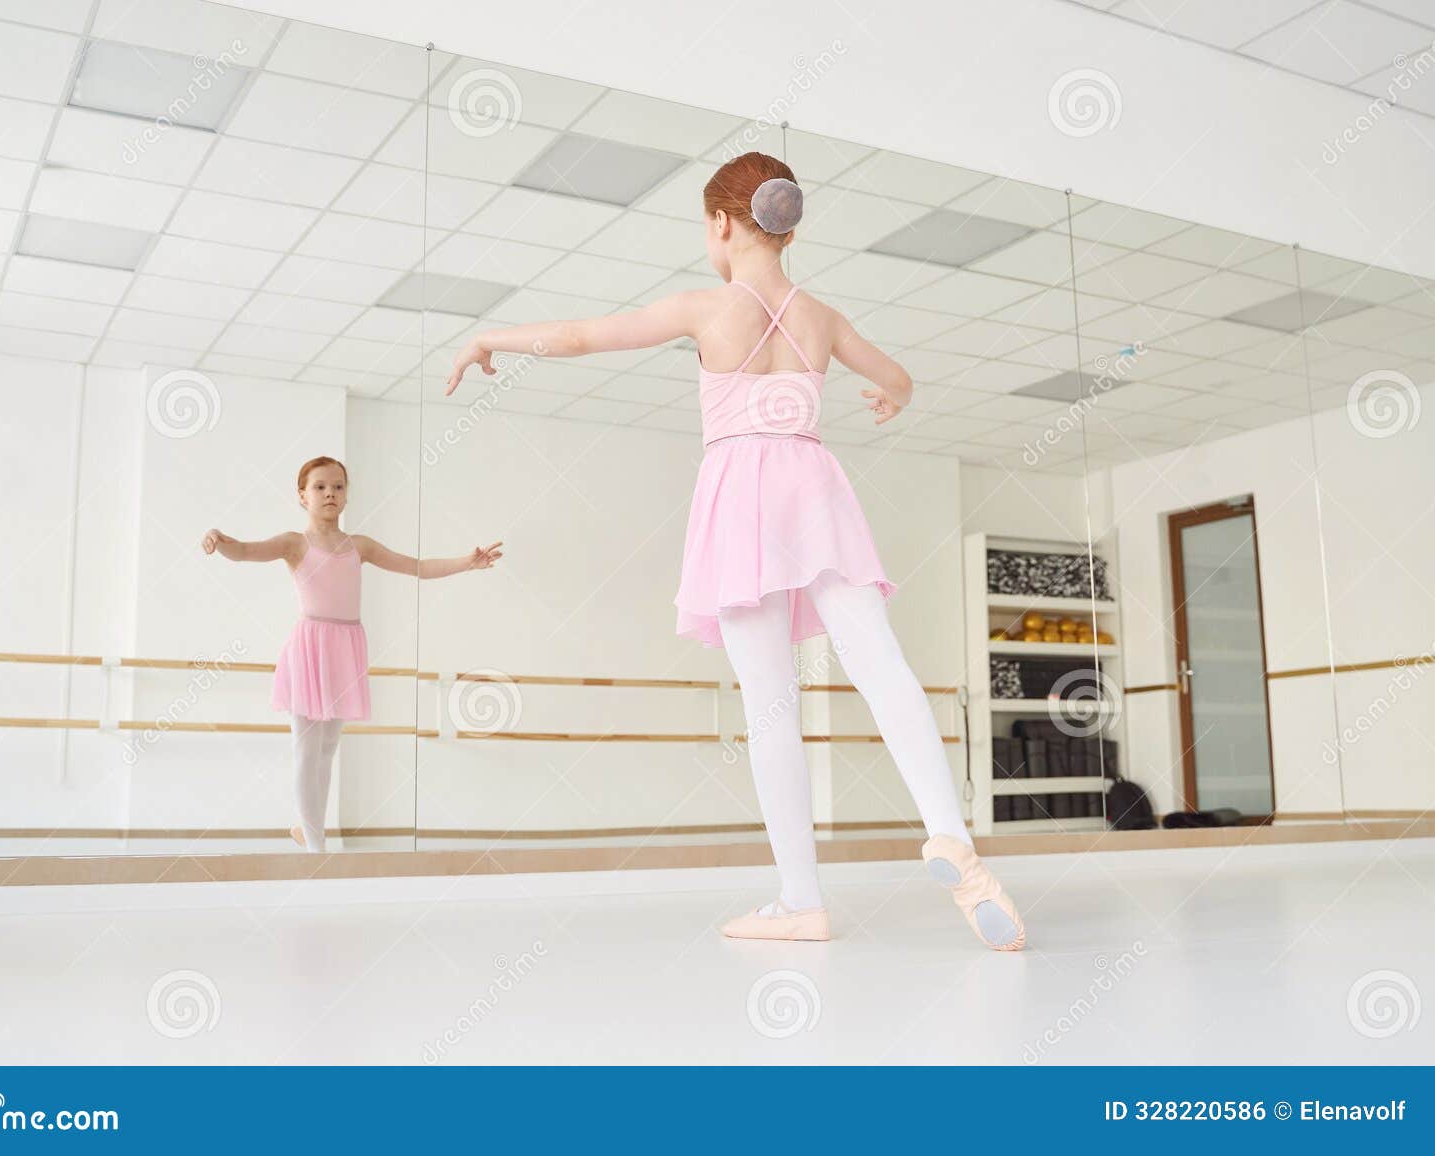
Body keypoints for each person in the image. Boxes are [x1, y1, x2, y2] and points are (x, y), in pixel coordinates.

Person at [446, 153, 1023, 949]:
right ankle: (950, 835)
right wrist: (891, 394)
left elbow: (581, 337)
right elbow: (899, 378)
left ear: (722, 223)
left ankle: (800, 899)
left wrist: (491, 338)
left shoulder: (706, 307)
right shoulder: (821, 316)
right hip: (814, 483)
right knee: (881, 664)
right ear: (786, 226)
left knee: (770, 704)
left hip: (743, 492)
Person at [202, 455, 502, 853]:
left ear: (346, 496)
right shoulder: (295, 543)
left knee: (326, 750)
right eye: (320, 487)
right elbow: (245, 551)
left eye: (338, 487)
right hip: (311, 647)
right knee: (307, 749)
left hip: (345, 647)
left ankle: (307, 828)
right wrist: (218, 540)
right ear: (302, 496)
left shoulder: (359, 546)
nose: (330, 493)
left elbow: (417, 567)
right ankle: (315, 845)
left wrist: (467, 562)